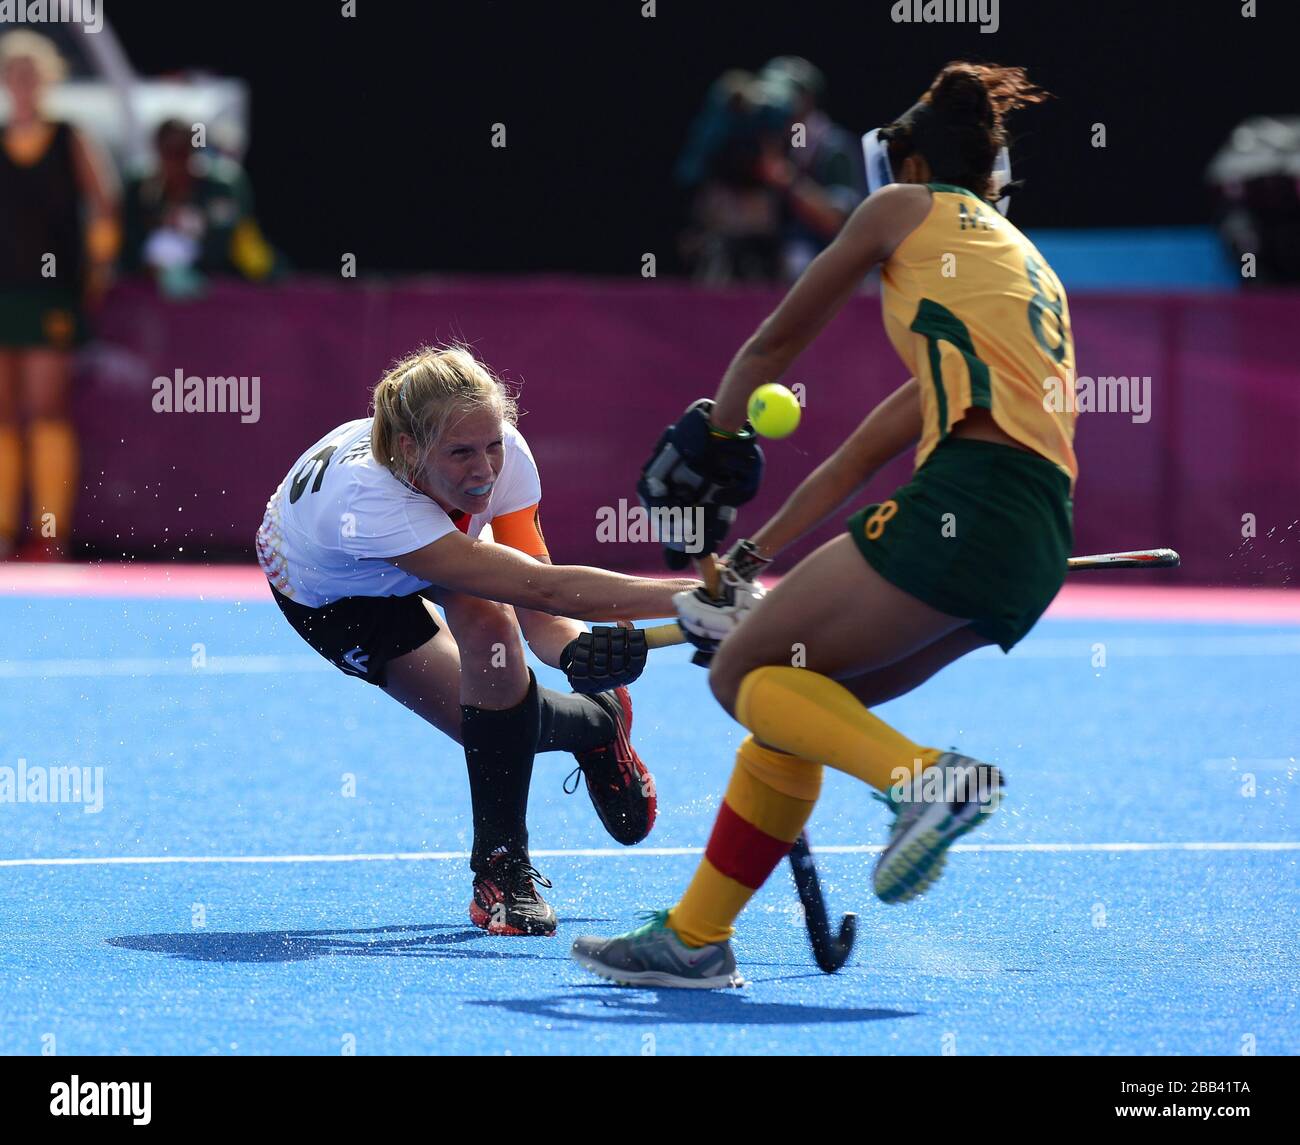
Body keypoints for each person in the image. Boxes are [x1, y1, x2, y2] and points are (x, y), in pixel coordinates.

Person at [573, 62, 1071, 987]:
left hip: (973, 497)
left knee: (741, 672)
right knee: (790, 699)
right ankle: (694, 938)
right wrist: (746, 567)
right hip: (1031, 533)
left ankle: (926, 780)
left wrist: (714, 429)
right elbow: (856, 459)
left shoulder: (904, 210)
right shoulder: (1012, 268)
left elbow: (773, 341)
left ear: (911, 163)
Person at [256, 345, 699, 936]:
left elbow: (543, 614)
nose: (485, 470)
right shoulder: (370, 498)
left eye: (491, 444)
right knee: (490, 732)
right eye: (462, 452)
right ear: (410, 449)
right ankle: (597, 724)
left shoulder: (505, 454)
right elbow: (547, 588)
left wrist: (573, 651)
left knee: (492, 647)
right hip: (336, 594)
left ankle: (500, 871)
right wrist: (699, 597)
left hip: (429, 546)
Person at [0, 31, 119, 560]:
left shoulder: (70, 138)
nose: (21, 82)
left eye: (31, 73)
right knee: (2, 414)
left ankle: (48, 536)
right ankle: (4, 532)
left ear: (47, 80)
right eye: (13, 72)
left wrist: (95, 272)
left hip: (50, 298)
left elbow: (105, 208)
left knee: (45, 409)